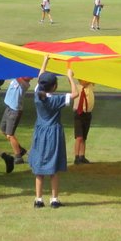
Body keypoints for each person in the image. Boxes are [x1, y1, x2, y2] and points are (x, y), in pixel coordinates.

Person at [30, 58, 77, 208]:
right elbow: (75, 94)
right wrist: (70, 76)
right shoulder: (56, 100)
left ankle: (38, 199)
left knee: (39, 168)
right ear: (54, 86)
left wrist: (44, 60)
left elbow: (40, 77)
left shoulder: (37, 95)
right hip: (53, 135)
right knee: (54, 168)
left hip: (40, 133)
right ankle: (54, 199)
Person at [0, 72, 30, 165]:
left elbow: (17, 76)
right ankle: (20, 149)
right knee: (3, 129)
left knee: (10, 134)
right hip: (8, 108)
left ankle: (18, 157)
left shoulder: (25, 84)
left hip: (15, 111)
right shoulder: (16, 79)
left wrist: (14, 69)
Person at [72, 78, 95, 164]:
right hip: (79, 113)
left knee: (84, 137)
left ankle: (82, 156)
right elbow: (70, 80)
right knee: (79, 137)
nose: (87, 81)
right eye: (84, 80)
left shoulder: (90, 86)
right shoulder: (76, 87)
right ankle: (76, 157)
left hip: (87, 114)